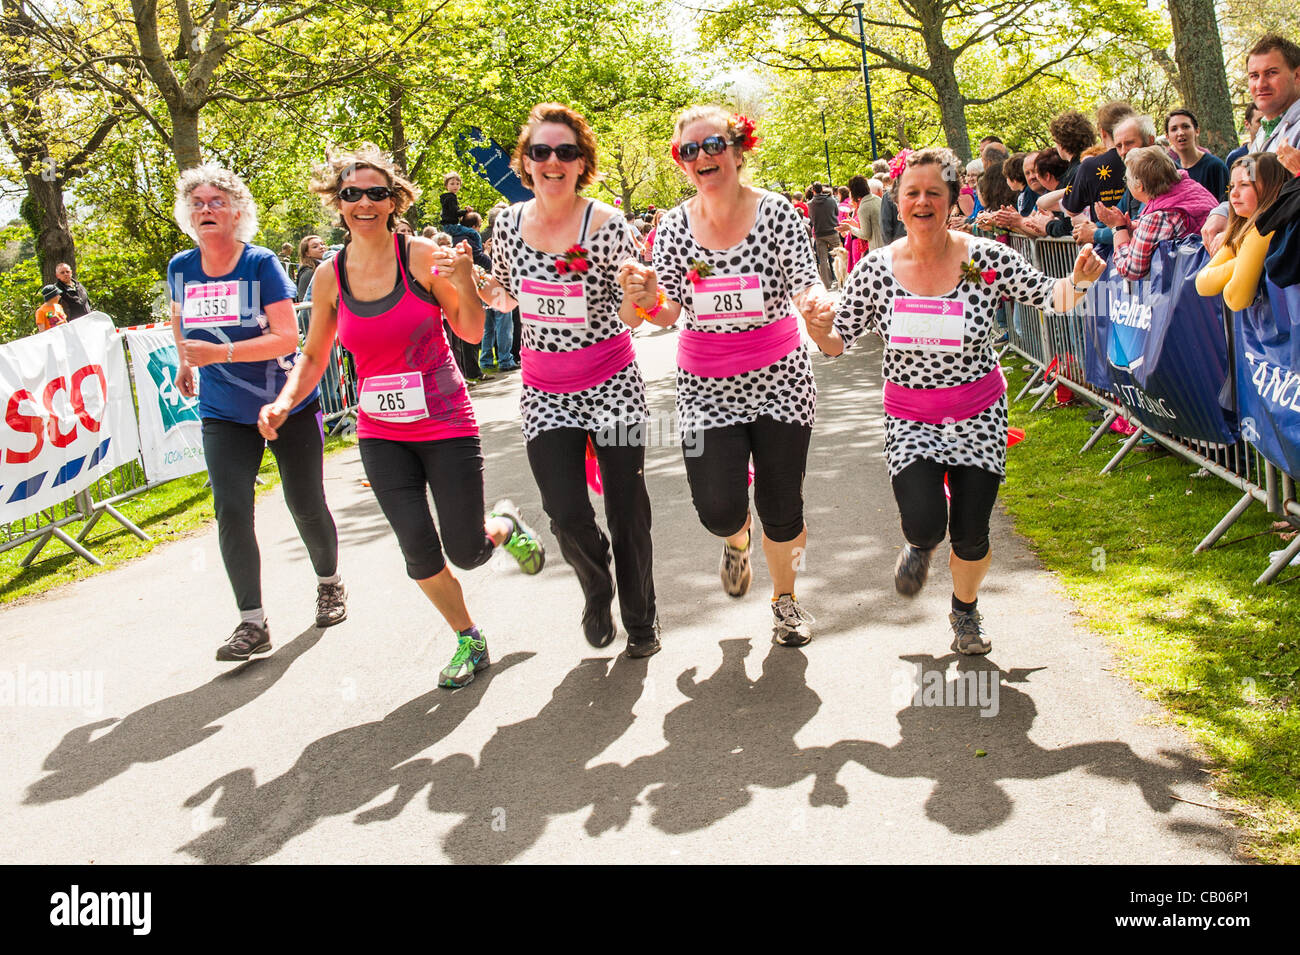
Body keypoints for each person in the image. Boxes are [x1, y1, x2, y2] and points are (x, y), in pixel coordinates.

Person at [258, 143, 545, 689]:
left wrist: (464, 278)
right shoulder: (329, 277)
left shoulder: (420, 257)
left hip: (445, 422)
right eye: (352, 193)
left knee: (466, 551)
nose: (364, 202)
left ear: (394, 200)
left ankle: (503, 528)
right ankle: (468, 638)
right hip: (381, 434)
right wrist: (284, 401)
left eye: (376, 193)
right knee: (417, 549)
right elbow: (313, 356)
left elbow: (471, 332)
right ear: (338, 202)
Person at [804, 147, 1106, 654]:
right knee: (925, 523)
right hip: (910, 417)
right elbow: (838, 343)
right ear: (898, 202)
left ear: (951, 200)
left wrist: (1078, 281)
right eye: (912, 193)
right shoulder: (876, 270)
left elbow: (1049, 296)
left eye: (934, 193)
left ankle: (965, 612)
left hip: (978, 413)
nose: (922, 202)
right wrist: (818, 330)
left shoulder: (985, 258)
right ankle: (920, 544)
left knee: (971, 533)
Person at [618, 105, 834, 647]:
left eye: (713, 145)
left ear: (738, 150)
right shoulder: (673, 225)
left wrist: (815, 303)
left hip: (780, 380)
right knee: (718, 509)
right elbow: (669, 310)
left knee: (783, 509)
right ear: (682, 162)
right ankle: (736, 539)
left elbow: (805, 280)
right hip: (705, 388)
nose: (701, 157)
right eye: (688, 150)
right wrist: (648, 299)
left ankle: (785, 600)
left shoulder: (776, 213)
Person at [474, 104, 659, 658]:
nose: (552, 161)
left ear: (582, 162)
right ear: (525, 162)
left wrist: (639, 296)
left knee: (627, 507)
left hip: (611, 381)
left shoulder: (606, 225)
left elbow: (630, 316)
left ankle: (642, 620)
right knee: (565, 511)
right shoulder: (507, 223)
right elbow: (508, 296)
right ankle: (597, 588)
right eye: (541, 151)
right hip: (545, 392)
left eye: (565, 151)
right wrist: (479, 287)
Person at [167, 165, 346, 661]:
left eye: (216, 202)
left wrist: (218, 354)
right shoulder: (181, 267)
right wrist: (185, 361)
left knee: (304, 502)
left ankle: (329, 583)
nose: (206, 209)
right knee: (230, 509)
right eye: (197, 203)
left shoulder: (260, 263)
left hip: (285, 402)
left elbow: (288, 338)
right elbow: (180, 320)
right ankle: (252, 622)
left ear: (237, 212)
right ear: (188, 214)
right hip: (223, 409)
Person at [1203, 34, 1300, 252]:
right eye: (1254, 76)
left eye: (1271, 73)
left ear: (1297, 75)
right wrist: (1222, 212)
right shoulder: (1262, 134)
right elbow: (1250, 188)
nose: (1261, 84)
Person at [1098, 145, 1219, 280]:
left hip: (1192, 284)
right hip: (1214, 271)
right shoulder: (1193, 188)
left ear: (1139, 185)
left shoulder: (1158, 217)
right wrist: (1135, 227)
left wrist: (1118, 229)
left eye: (1126, 180)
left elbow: (1131, 270)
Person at [1195, 153, 1288, 310]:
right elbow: (1202, 283)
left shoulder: (1261, 231)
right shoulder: (1241, 229)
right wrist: (1241, 261)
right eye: (1231, 186)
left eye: (1244, 184)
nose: (1234, 193)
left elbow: (1236, 298)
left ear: (1271, 187)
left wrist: (1243, 259)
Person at [1063, 101, 1135, 246]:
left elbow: (1071, 208)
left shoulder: (1089, 165)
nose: (1124, 152)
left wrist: (1095, 231)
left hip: (1110, 245)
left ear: (1102, 132)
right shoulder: (1153, 160)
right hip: (1120, 238)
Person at [1166, 108, 1230, 201]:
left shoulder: (1216, 167)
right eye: (1174, 129)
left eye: (1186, 126)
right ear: (1167, 137)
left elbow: (1226, 204)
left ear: (1197, 131)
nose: (1180, 133)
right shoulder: (1172, 172)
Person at [808, 182, 841, 288]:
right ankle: (841, 279)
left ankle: (827, 284)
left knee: (823, 260)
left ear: (813, 191)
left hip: (819, 233)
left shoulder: (810, 204)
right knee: (838, 256)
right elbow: (836, 213)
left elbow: (811, 218)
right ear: (822, 189)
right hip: (832, 231)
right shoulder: (831, 200)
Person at [1225, 104, 1262, 168]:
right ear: (1247, 124)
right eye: (1260, 121)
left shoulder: (1278, 152)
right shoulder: (1235, 157)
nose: (1265, 124)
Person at [296, 235, 325, 301]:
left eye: (322, 244)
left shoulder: (327, 266)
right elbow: (303, 300)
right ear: (307, 253)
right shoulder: (308, 272)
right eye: (315, 246)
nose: (321, 247)